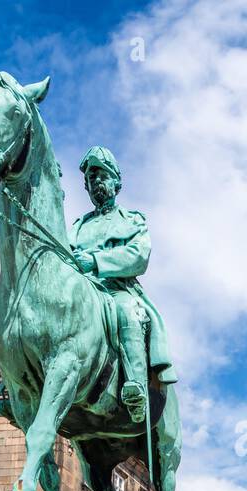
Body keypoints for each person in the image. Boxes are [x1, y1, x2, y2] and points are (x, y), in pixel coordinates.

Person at [67, 146, 177, 424]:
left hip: (115, 290)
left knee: (128, 312)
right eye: (90, 178)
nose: (95, 183)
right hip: (81, 292)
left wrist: (95, 260)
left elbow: (138, 256)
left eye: (101, 175)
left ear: (117, 182)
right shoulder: (78, 226)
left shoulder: (132, 220)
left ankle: (136, 386)